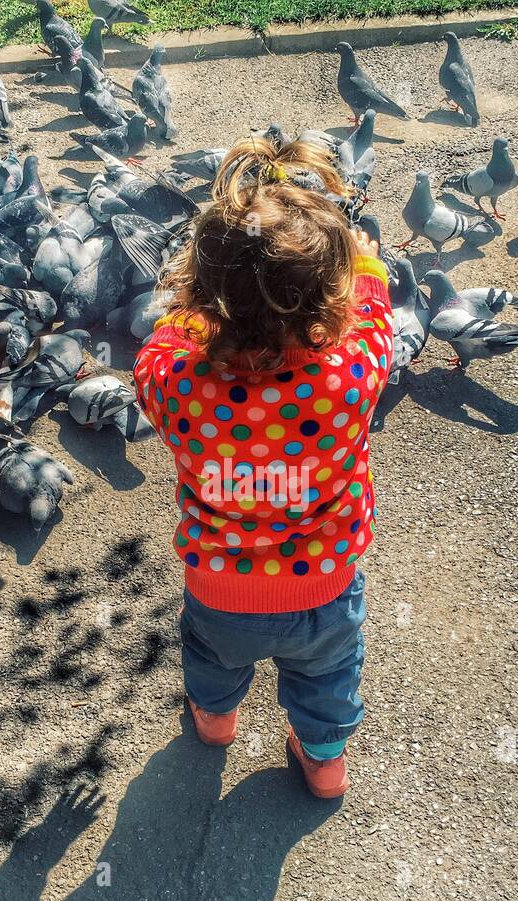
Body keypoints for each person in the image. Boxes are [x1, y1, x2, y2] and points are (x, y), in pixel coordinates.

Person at [133, 138, 393, 799]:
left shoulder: (175, 385)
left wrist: (197, 303)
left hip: (221, 587)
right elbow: (377, 310)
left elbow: (163, 341)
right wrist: (359, 256)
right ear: (332, 307)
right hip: (324, 589)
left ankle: (216, 723)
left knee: (213, 666)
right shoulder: (352, 373)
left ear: (202, 295)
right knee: (327, 680)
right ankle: (325, 761)